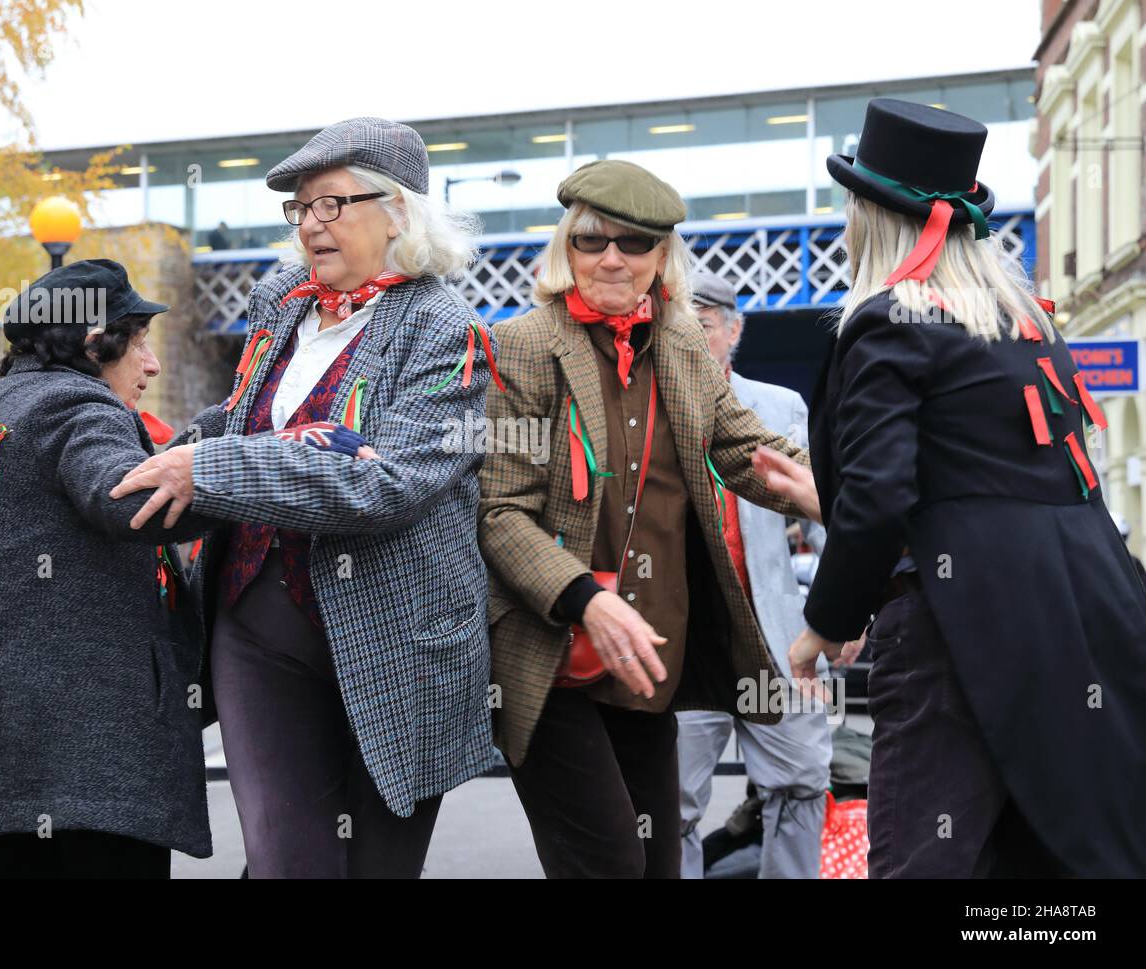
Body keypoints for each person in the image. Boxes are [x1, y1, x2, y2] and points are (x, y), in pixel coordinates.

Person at [759, 98, 1146, 877]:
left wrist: (823, 625)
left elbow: (878, 500)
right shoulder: (1029, 323)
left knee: (924, 859)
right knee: (1053, 856)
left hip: (956, 626)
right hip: (1096, 611)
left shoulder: (890, 320)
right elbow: (998, 483)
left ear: (870, 215)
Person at [110, 117, 496, 878]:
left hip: (401, 636)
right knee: (292, 861)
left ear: (398, 212)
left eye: (332, 204)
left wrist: (213, 469)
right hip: (258, 624)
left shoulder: (446, 329)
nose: (312, 223)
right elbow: (242, 415)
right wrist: (161, 460)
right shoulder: (284, 300)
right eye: (302, 208)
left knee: (377, 868)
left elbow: (389, 483)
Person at [478, 159, 819, 879]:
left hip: (649, 661)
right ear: (566, 249)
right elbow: (501, 511)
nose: (611, 257)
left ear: (662, 257)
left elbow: (742, 447)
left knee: (658, 866)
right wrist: (586, 599)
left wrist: (834, 494)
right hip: (552, 657)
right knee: (610, 866)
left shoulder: (682, 341)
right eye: (592, 239)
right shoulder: (525, 345)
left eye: (634, 242)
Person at [0, 259, 214, 878]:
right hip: (86, 773)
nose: (152, 364)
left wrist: (210, 434)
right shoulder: (73, 404)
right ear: (94, 341)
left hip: (10, 756)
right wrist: (246, 469)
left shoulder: (8, 400)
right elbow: (135, 499)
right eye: (139, 341)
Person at [676, 270, 833, 879]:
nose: (692, 337)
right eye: (680, 326)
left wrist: (842, 610)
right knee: (672, 804)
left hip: (776, 638)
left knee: (799, 783)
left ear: (735, 331)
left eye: (705, 325)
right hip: (686, 641)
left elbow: (824, 517)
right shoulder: (651, 408)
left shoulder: (779, 407)